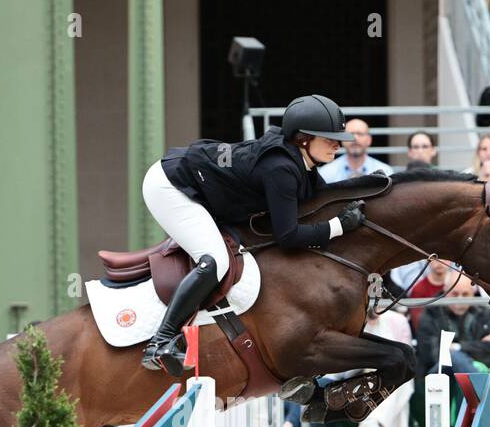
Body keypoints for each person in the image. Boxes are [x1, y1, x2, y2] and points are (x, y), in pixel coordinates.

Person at [143, 93, 362, 373]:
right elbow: (288, 237)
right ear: (304, 139)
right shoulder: (281, 168)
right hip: (170, 186)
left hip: (200, 187)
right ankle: (160, 343)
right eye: (329, 138)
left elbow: (324, 195)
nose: (338, 144)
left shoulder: (301, 164)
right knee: (215, 261)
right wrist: (339, 226)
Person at [318, 117, 393, 182]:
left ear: (369, 140)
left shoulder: (386, 172)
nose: (355, 138)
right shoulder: (326, 173)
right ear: (342, 140)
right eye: (350, 134)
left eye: (360, 134)